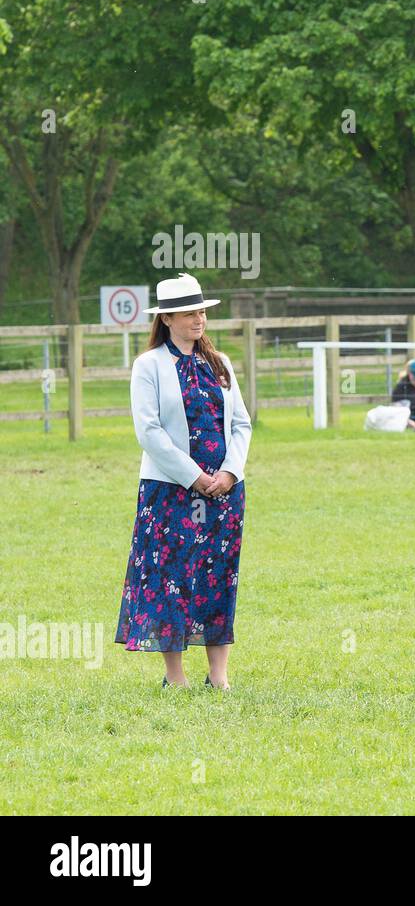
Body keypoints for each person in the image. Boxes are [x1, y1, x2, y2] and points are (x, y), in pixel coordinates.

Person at [115, 273, 251, 690]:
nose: (199, 319)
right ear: (168, 318)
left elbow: (241, 424)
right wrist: (194, 476)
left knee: (218, 575)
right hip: (169, 490)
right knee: (170, 577)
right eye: (190, 313)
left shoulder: (221, 364)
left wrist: (229, 471)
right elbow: (149, 431)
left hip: (225, 492)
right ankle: (175, 677)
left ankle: (219, 676)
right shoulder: (149, 366)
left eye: (202, 312)